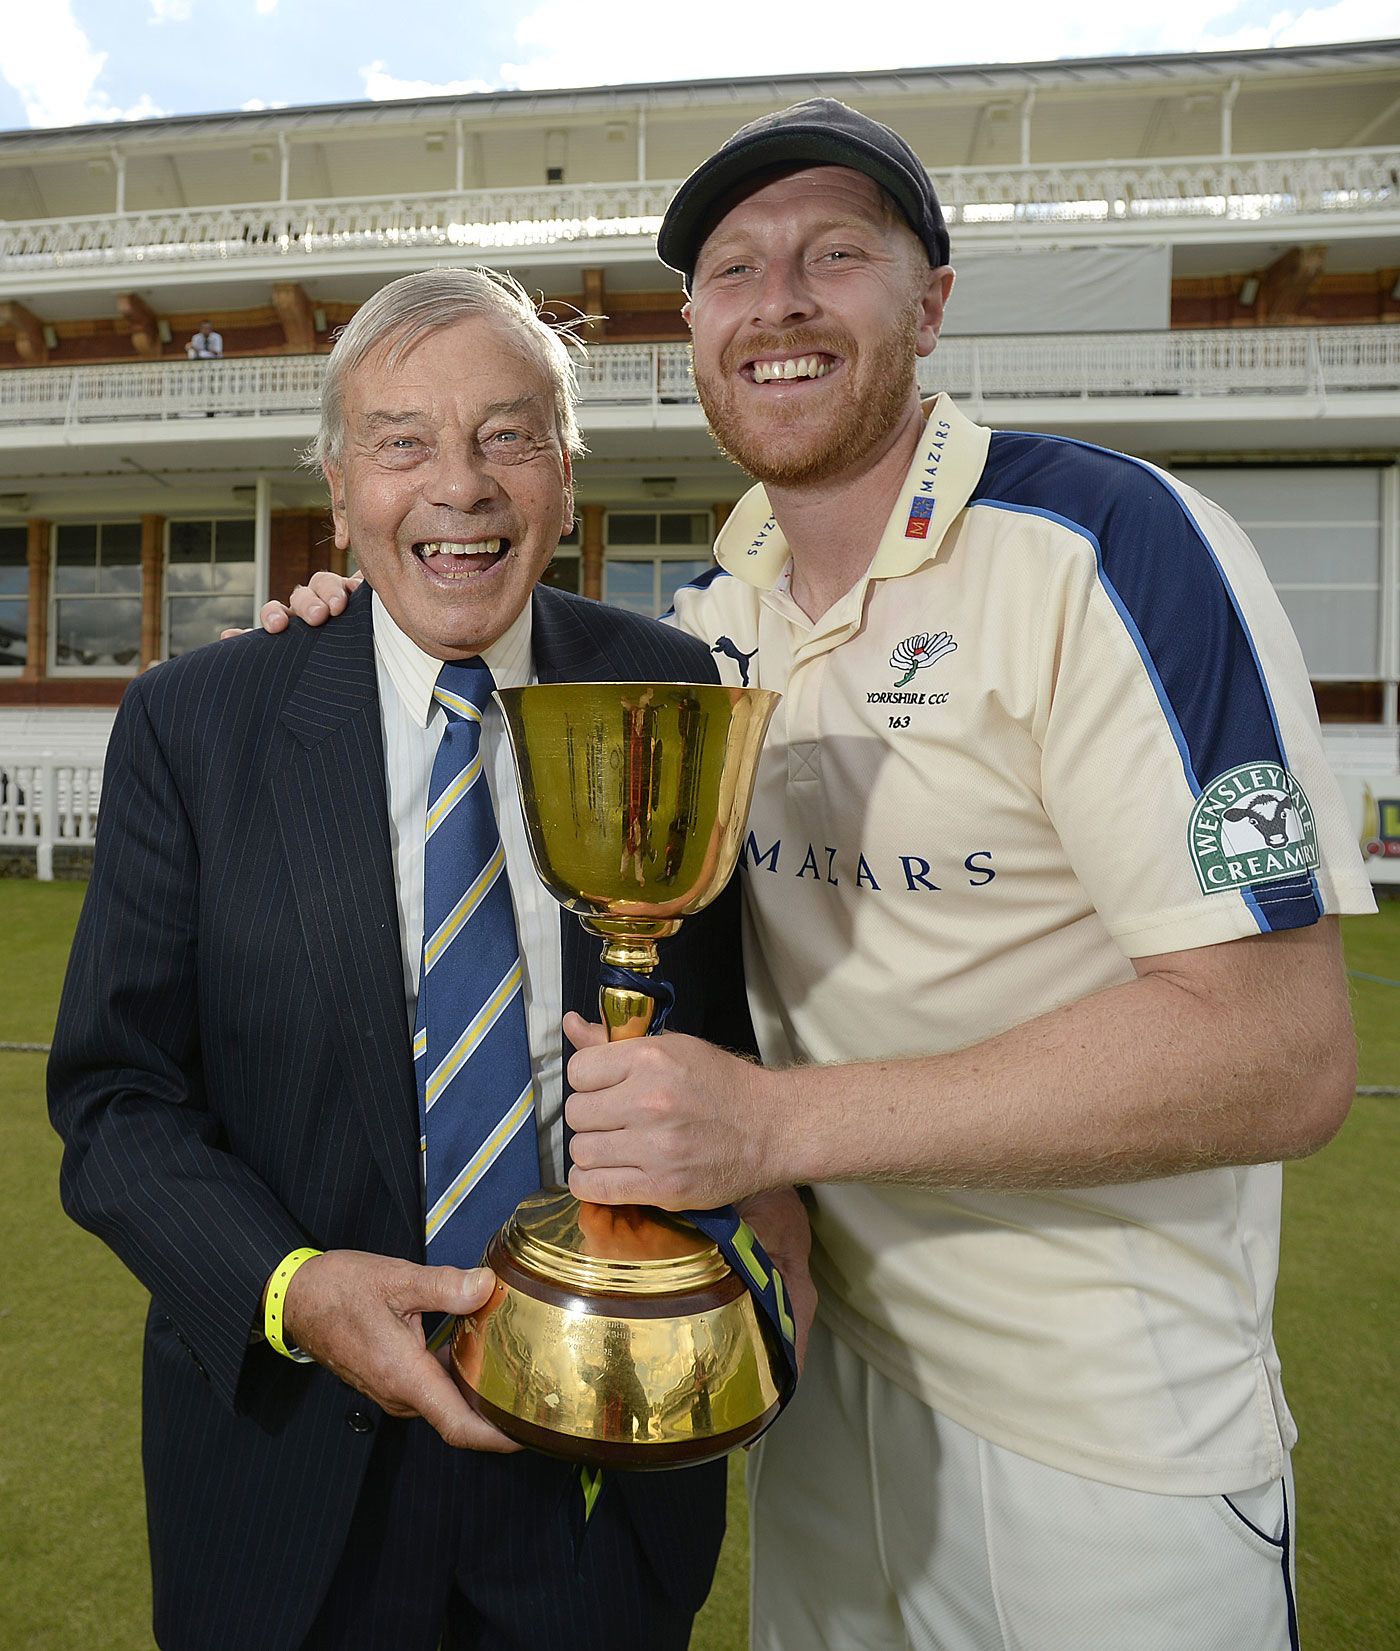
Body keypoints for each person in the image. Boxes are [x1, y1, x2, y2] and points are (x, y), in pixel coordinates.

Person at [266, 103, 1375, 1651]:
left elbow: (1282, 1052)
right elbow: (471, 607)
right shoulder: (717, 619)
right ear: (697, 332)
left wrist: (774, 1125)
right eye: (731, 268)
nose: (777, 298)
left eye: (833, 254)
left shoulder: (1113, 547)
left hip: (1103, 1440)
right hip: (797, 1388)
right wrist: (349, 612)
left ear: (928, 300)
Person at [49, 266, 812, 1651]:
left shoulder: (669, 690)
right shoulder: (197, 722)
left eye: (507, 436)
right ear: (341, 491)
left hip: (598, 1483)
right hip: (287, 1486)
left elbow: (723, 1050)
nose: (458, 487)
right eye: (403, 441)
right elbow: (114, 1106)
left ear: (565, 478)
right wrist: (295, 1291)